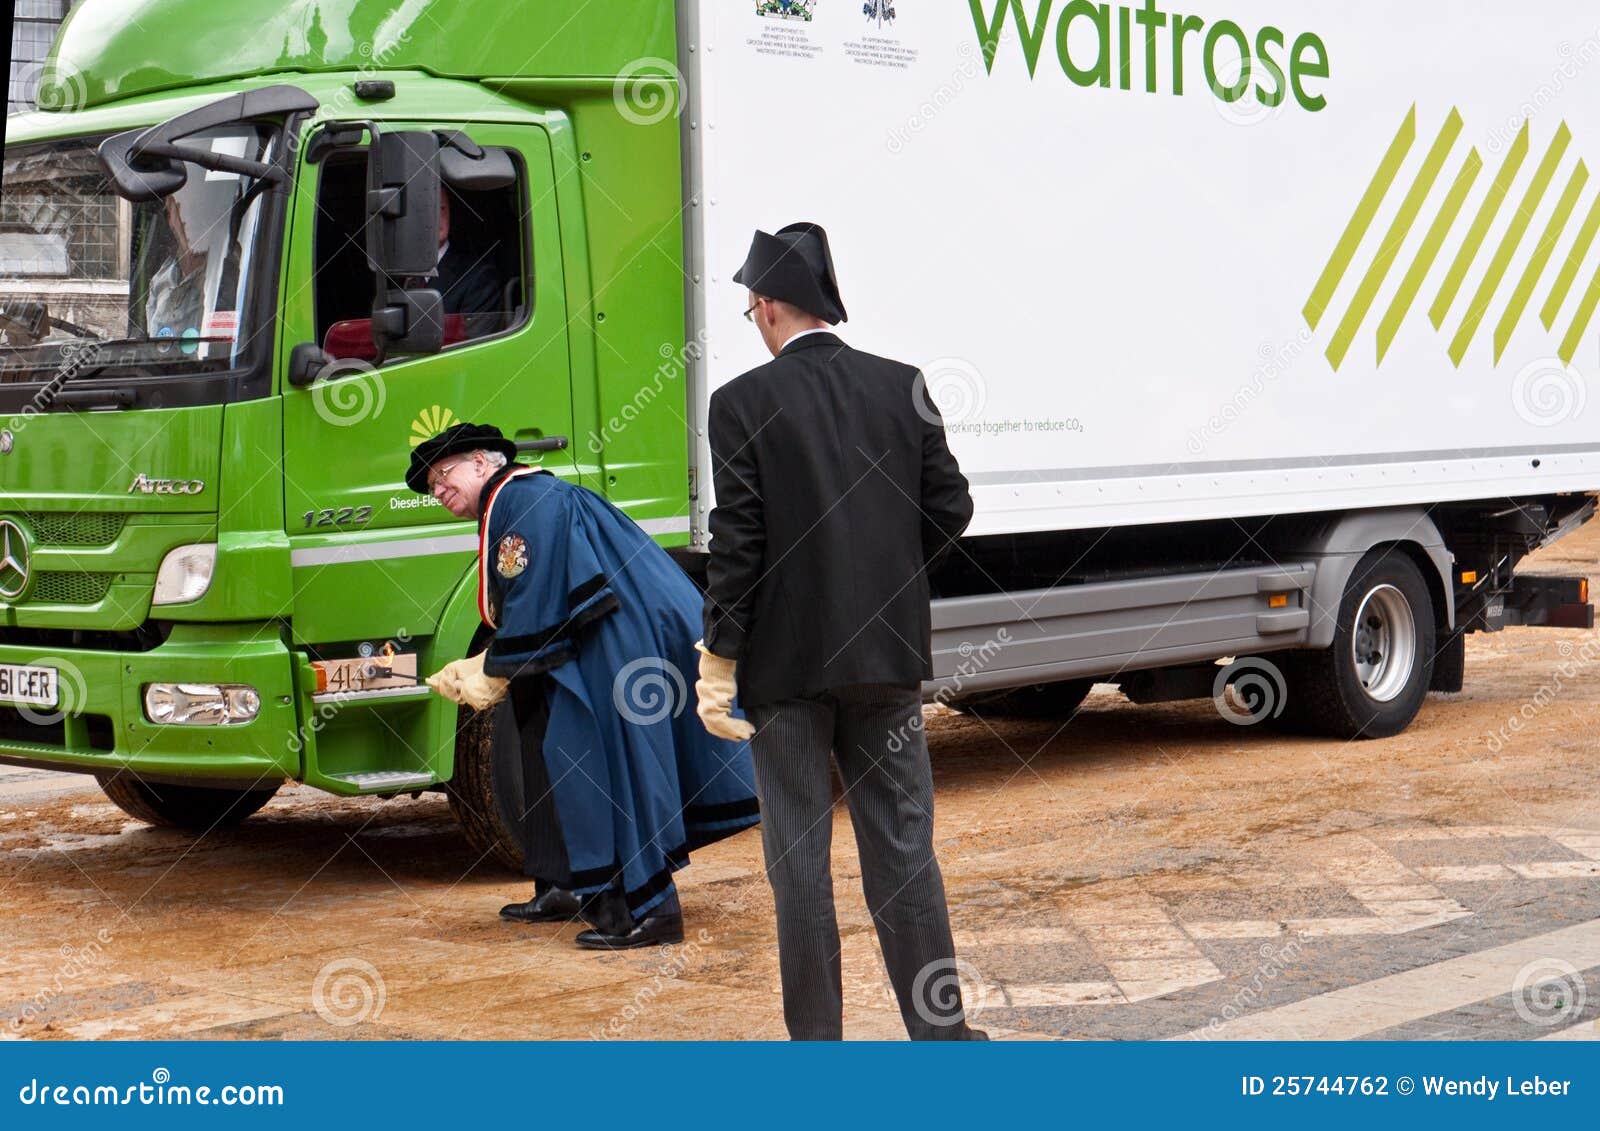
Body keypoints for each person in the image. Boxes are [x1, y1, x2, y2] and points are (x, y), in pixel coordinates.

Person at [695, 221, 986, 1039]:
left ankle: (819, 1053)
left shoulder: (740, 404)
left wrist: (720, 651)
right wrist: (891, 574)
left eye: (751, 307)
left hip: (784, 670)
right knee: (904, 853)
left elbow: (739, 543)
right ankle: (944, 1040)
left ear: (767, 306)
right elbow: (953, 509)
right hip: (886, 659)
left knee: (799, 869)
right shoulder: (904, 384)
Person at [416, 423, 760, 949]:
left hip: (611, 649)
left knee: (615, 768)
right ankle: (567, 885)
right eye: (431, 486)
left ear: (484, 464)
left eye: (444, 475)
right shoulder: (518, 501)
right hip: (595, 639)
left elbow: (535, 598)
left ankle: (650, 912)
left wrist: (492, 669)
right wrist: (500, 663)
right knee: (539, 744)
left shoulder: (525, 502)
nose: (438, 491)